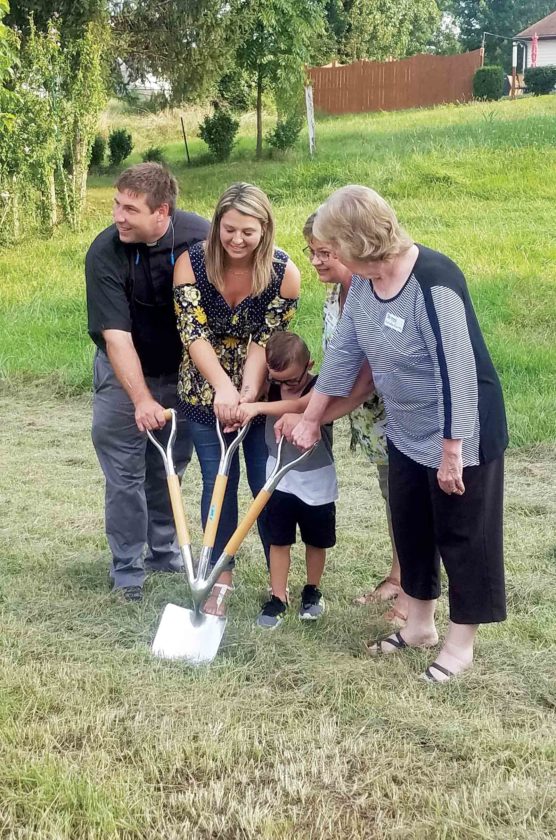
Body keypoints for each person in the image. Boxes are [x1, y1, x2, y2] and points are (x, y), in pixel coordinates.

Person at [282, 185, 508, 683]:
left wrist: (453, 451)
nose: (328, 255)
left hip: (462, 429)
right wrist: (311, 418)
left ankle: (460, 647)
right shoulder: (365, 284)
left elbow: (458, 373)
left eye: (333, 245)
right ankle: (420, 626)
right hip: (405, 430)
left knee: (464, 535)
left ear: (357, 240)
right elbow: (344, 354)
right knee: (412, 527)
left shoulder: (435, 280)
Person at [173, 182, 300, 616]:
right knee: (218, 481)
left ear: (265, 229)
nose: (237, 240)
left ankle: (277, 585)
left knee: (264, 483)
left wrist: (245, 394)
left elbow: (265, 341)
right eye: (229, 230)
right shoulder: (190, 264)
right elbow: (193, 334)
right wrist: (222, 390)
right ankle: (220, 579)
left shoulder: (284, 273)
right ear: (217, 226)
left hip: (257, 392)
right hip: (202, 389)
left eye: (248, 231)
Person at [86, 163, 210, 602]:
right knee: (125, 472)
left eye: (130, 209)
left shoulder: (200, 238)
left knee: (169, 465)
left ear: (162, 212)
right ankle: (127, 568)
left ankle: (163, 551)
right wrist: (140, 399)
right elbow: (116, 338)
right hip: (122, 377)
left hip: (180, 375)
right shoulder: (104, 252)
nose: (118, 216)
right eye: (117, 204)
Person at [303, 212, 409, 624]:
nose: (315, 261)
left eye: (324, 252)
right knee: (392, 499)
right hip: (370, 427)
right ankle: (399, 576)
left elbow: (363, 381)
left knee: (407, 504)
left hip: (398, 420)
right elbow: (336, 364)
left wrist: (313, 418)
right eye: (310, 252)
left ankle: (412, 595)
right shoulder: (335, 296)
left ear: (349, 248)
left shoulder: (373, 293)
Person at [236, 332, 337, 629]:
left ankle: (312, 590)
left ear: (309, 365)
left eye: (292, 380)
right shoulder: (270, 387)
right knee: (278, 540)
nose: (285, 386)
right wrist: (248, 400)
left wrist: (257, 408)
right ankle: (278, 596)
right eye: (277, 380)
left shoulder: (319, 388)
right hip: (278, 479)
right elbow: (253, 383)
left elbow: (302, 406)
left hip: (316, 481)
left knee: (316, 540)